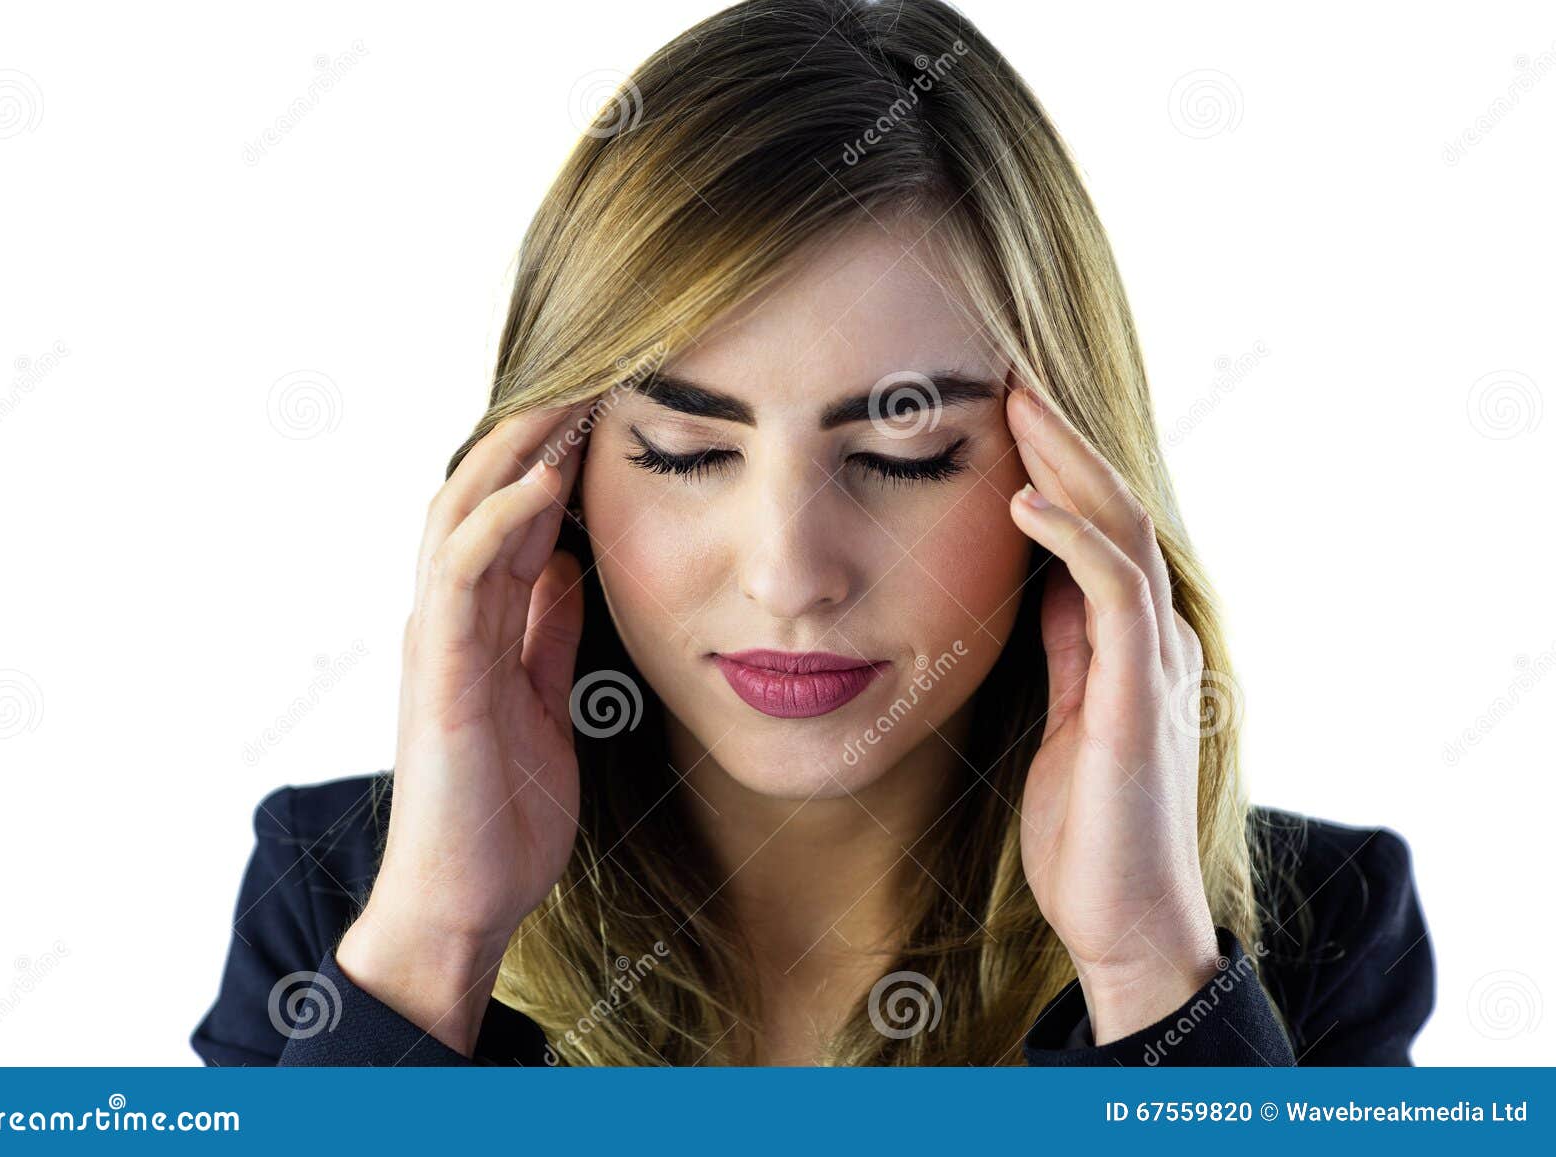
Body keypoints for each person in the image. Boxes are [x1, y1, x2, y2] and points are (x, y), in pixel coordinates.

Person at [192, 0, 1433, 1067]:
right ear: (550, 478)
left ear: (1074, 487)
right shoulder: (338, 897)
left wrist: (1150, 967)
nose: (790, 575)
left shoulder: (1316, 931)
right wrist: (431, 948)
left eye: (903, 455)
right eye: (686, 451)